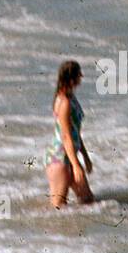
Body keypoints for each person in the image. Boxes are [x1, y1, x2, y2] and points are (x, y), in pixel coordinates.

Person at [45, 60, 94, 208]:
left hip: (69, 156)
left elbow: (75, 132)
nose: (81, 77)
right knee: (58, 206)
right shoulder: (64, 101)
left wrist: (85, 156)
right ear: (72, 78)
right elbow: (66, 136)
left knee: (88, 201)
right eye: (79, 75)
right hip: (59, 158)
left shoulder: (70, 97)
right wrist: (76, 165)